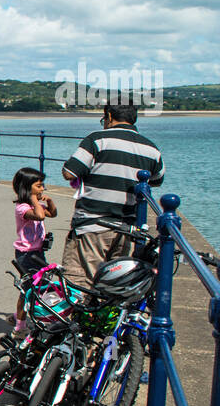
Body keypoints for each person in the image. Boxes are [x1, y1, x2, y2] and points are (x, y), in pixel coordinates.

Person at [59, 100, 164, 286]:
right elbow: (156, 180)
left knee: (81, 283)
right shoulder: (152, 148)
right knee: (115, 285)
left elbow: (69, 172)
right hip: (128, 228)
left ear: (108, 116)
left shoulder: (97, 139)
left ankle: (83, 315)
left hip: (92, 224)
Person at [10, 167, 58, 336]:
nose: (42, 189)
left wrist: (50, 202)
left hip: (37, 252)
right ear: (27, 188)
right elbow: (40, 216)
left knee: (40, 286)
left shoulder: (36, 205)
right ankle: (19, 328)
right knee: (28, 289)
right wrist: (34, 200)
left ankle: (18, 316)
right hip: (25, 255)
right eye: (38, 186)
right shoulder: (22, 208)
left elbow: (52, 214)